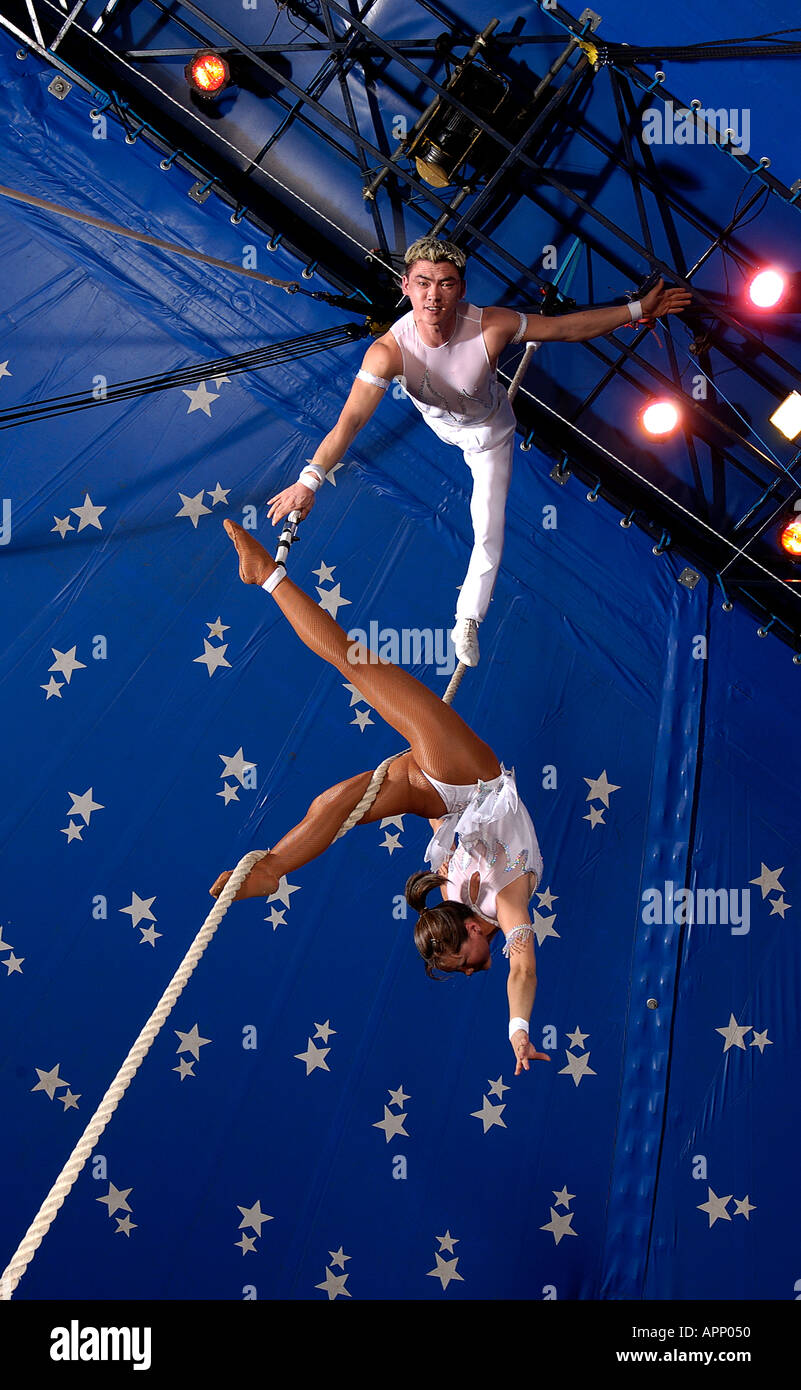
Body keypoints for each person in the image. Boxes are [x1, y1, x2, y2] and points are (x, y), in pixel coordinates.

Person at [211, 519, 551, 1076]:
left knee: (334, 797)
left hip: (441, 794)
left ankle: (272, 868)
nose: (469, 971)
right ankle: (267, 575)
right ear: (471, 932)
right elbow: (524, 971)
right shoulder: (506, 901)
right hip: (464, 779)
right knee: (351, 663)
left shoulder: (457, 890)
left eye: (457, 965)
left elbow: (458, 840)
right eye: (462, 963)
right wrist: (518, 1031)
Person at [267, 236, 692, 666]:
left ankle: (467, 618)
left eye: (446, 284)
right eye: (423, 283)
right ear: (405, 286)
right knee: (467, 495)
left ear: (462, 289)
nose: (434, 295)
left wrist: (638, 310)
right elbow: (350, 422)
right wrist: (310, 479)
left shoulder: (491, 325)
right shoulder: (387, 352)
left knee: (488, 526)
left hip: (491, 434)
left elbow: (568, 329)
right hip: (442, 425)